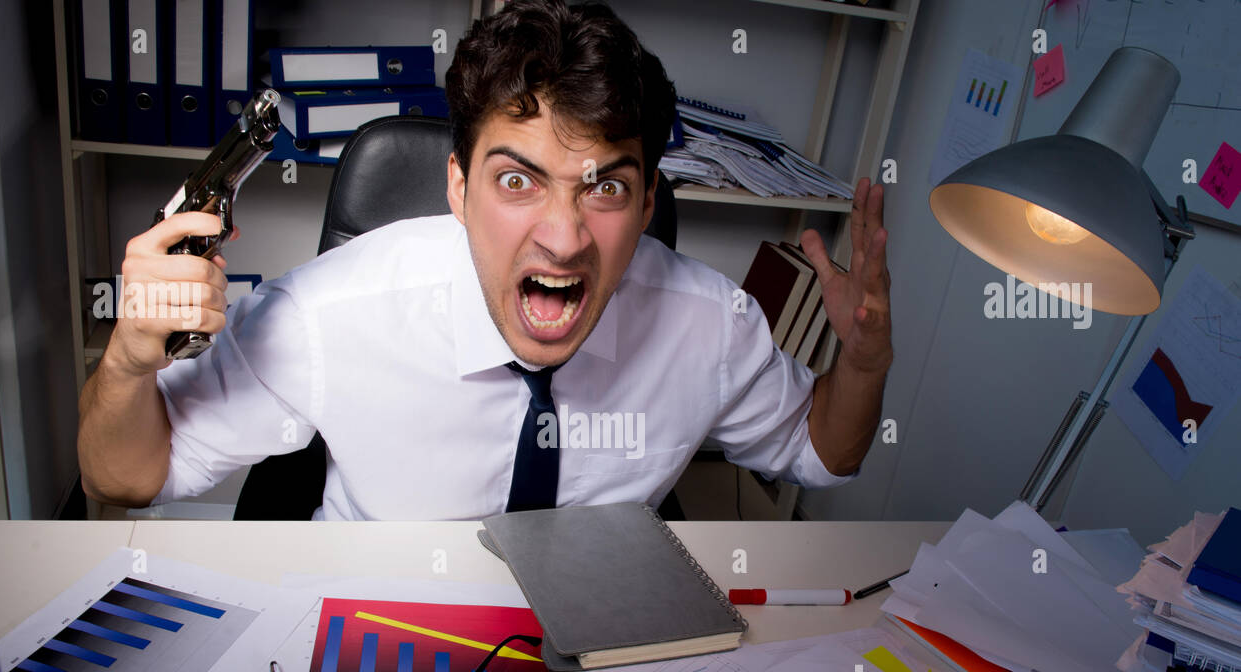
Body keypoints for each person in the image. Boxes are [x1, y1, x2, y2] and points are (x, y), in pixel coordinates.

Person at [77, 0, 893, 520]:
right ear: (458, 189)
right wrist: (126, 359)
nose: (564, 236)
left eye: (605, 188)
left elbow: (824, 449)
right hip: (384, 640)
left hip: (593, 670)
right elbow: (124, 476)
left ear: (647, 205)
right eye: (516, 181)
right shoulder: (329, 317)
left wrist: (861, 363)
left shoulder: (708, 327)